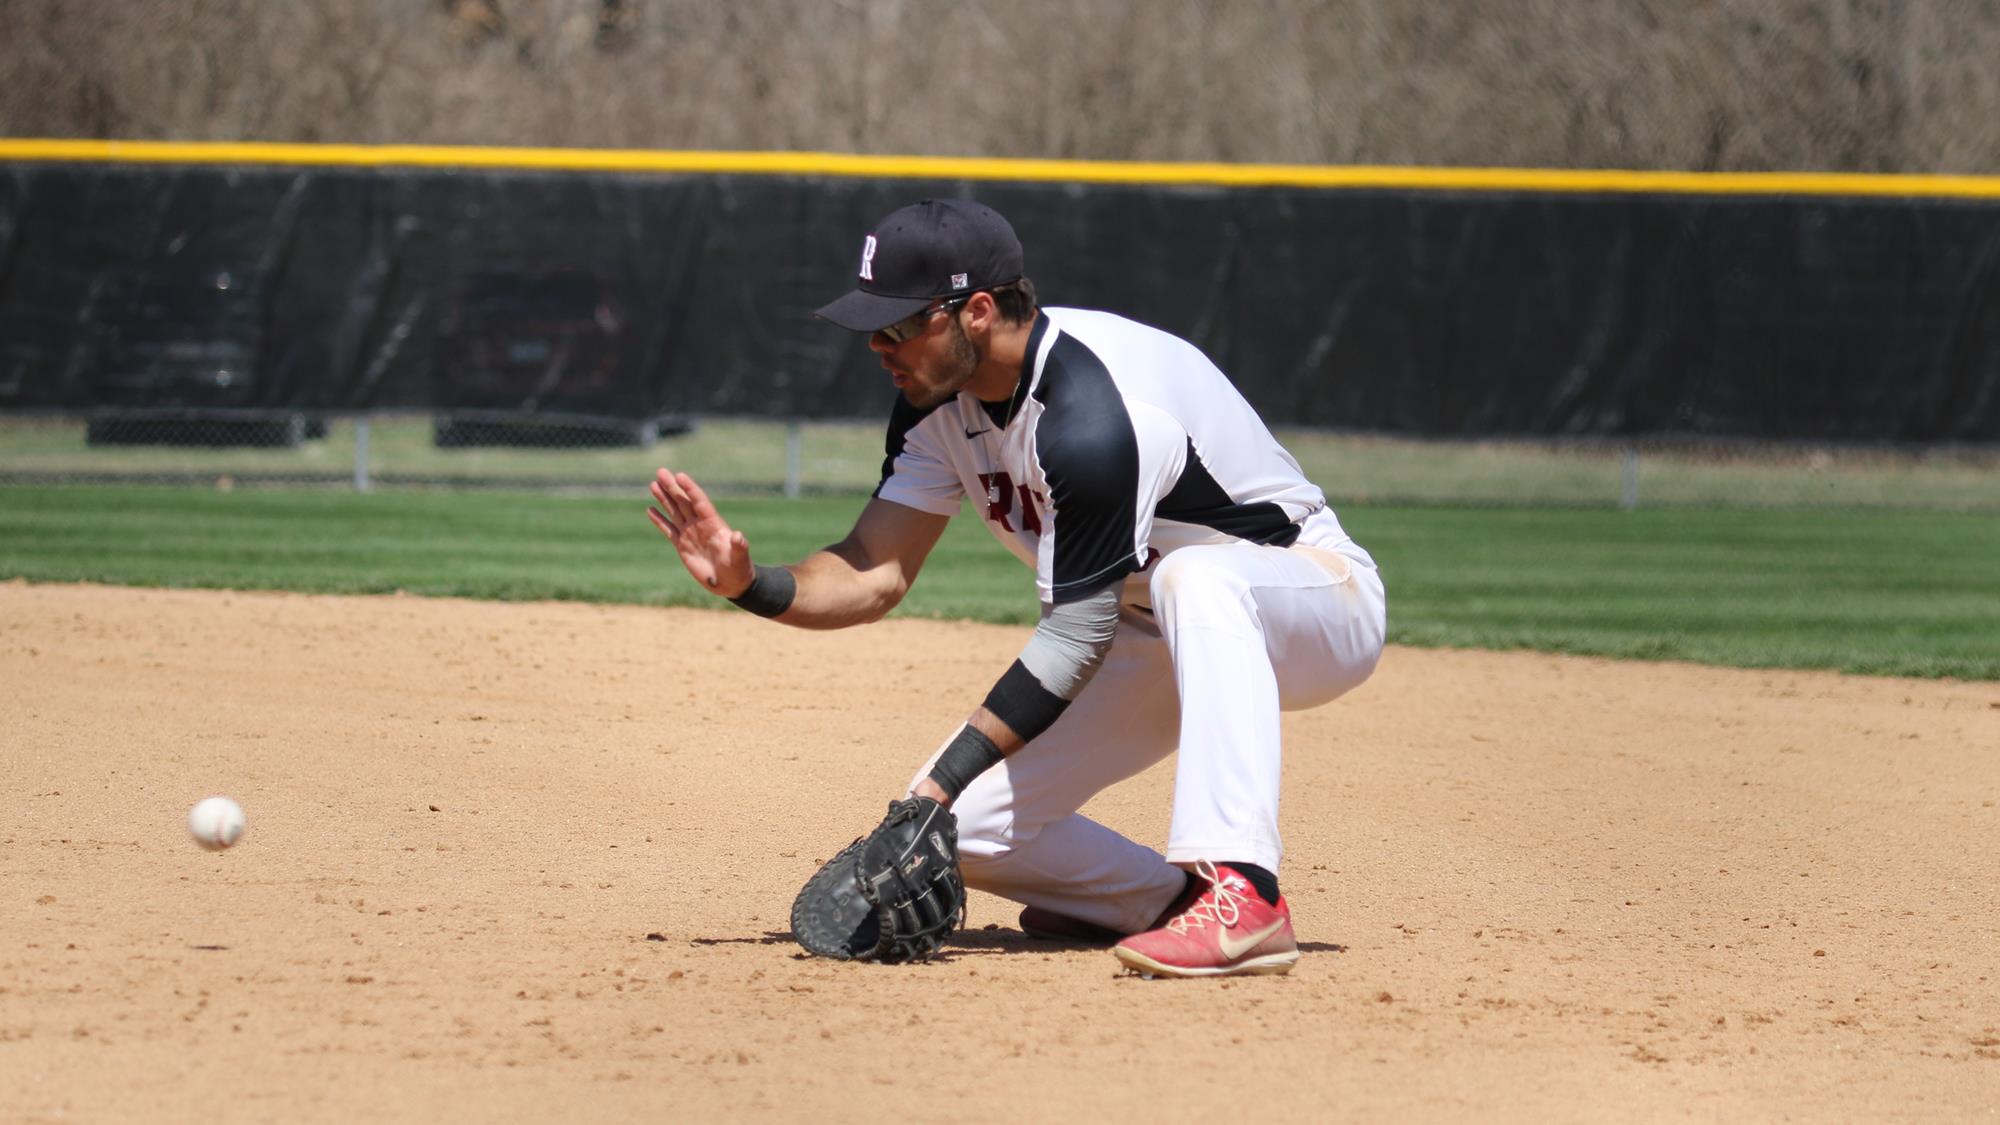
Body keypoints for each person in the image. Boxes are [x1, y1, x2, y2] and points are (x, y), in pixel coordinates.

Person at [646, 198, 1386, 978]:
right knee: (959, 829)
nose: (877, 344)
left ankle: (1246, 891)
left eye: (898, 323)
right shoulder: (936, 406)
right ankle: (1157, 901)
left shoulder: (1096, 412)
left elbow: (1073, 639)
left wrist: (935, 782)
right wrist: (749, 583)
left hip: (1306, 597)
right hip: (1151, 626)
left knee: (1193, 574)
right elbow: (875, 566)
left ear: (979, 311)